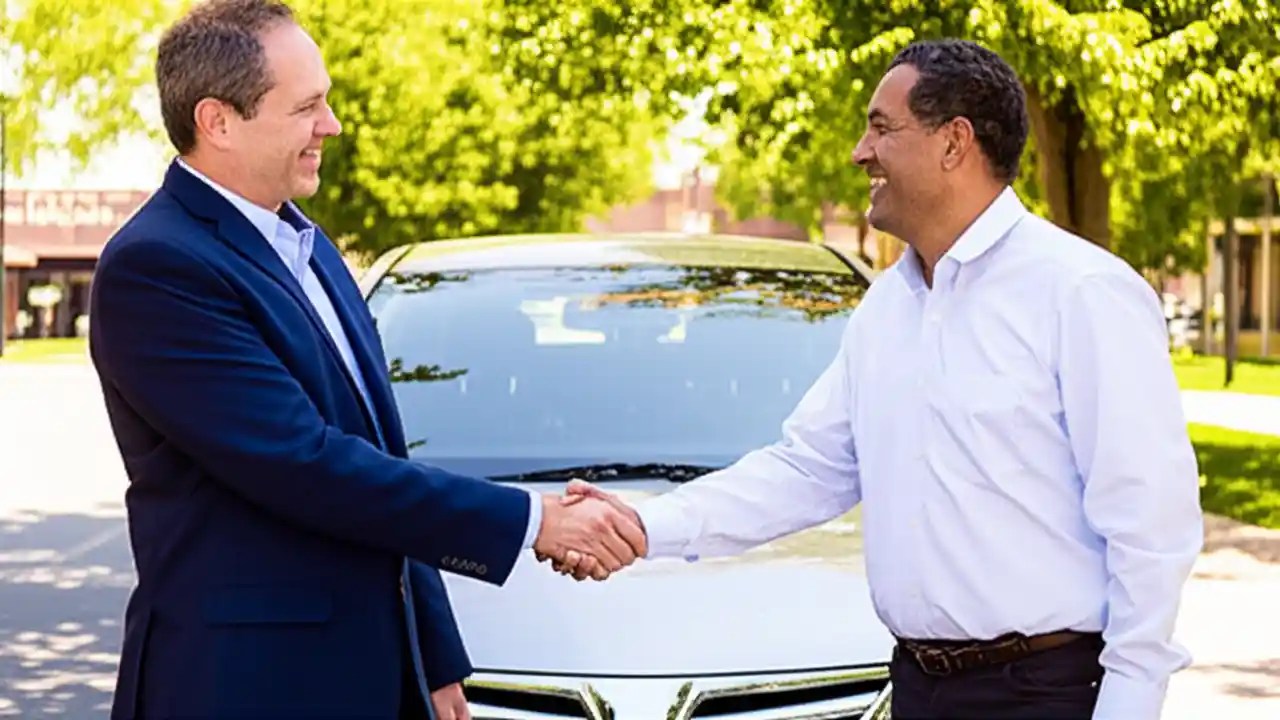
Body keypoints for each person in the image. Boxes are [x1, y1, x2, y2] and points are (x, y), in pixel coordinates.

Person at [548, 39, 1203, 720]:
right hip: (914, 688)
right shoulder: (890, 304)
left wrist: (1130, 703)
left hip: (1045, 694)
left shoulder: (1081, 291)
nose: (861, 151)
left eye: (882, 127)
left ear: (955, 142)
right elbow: (809, 468)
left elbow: (1151, 523)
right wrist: (643, 526)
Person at [88, 1, 644, 718]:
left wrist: (434, 654)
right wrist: (534, 522)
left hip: (373, 674)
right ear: (217, 121)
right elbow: (306, 464)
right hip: (245, 687)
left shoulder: (310, 249)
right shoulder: (157, 268)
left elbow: (382, 454)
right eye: (307, 107)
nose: (332, 125)